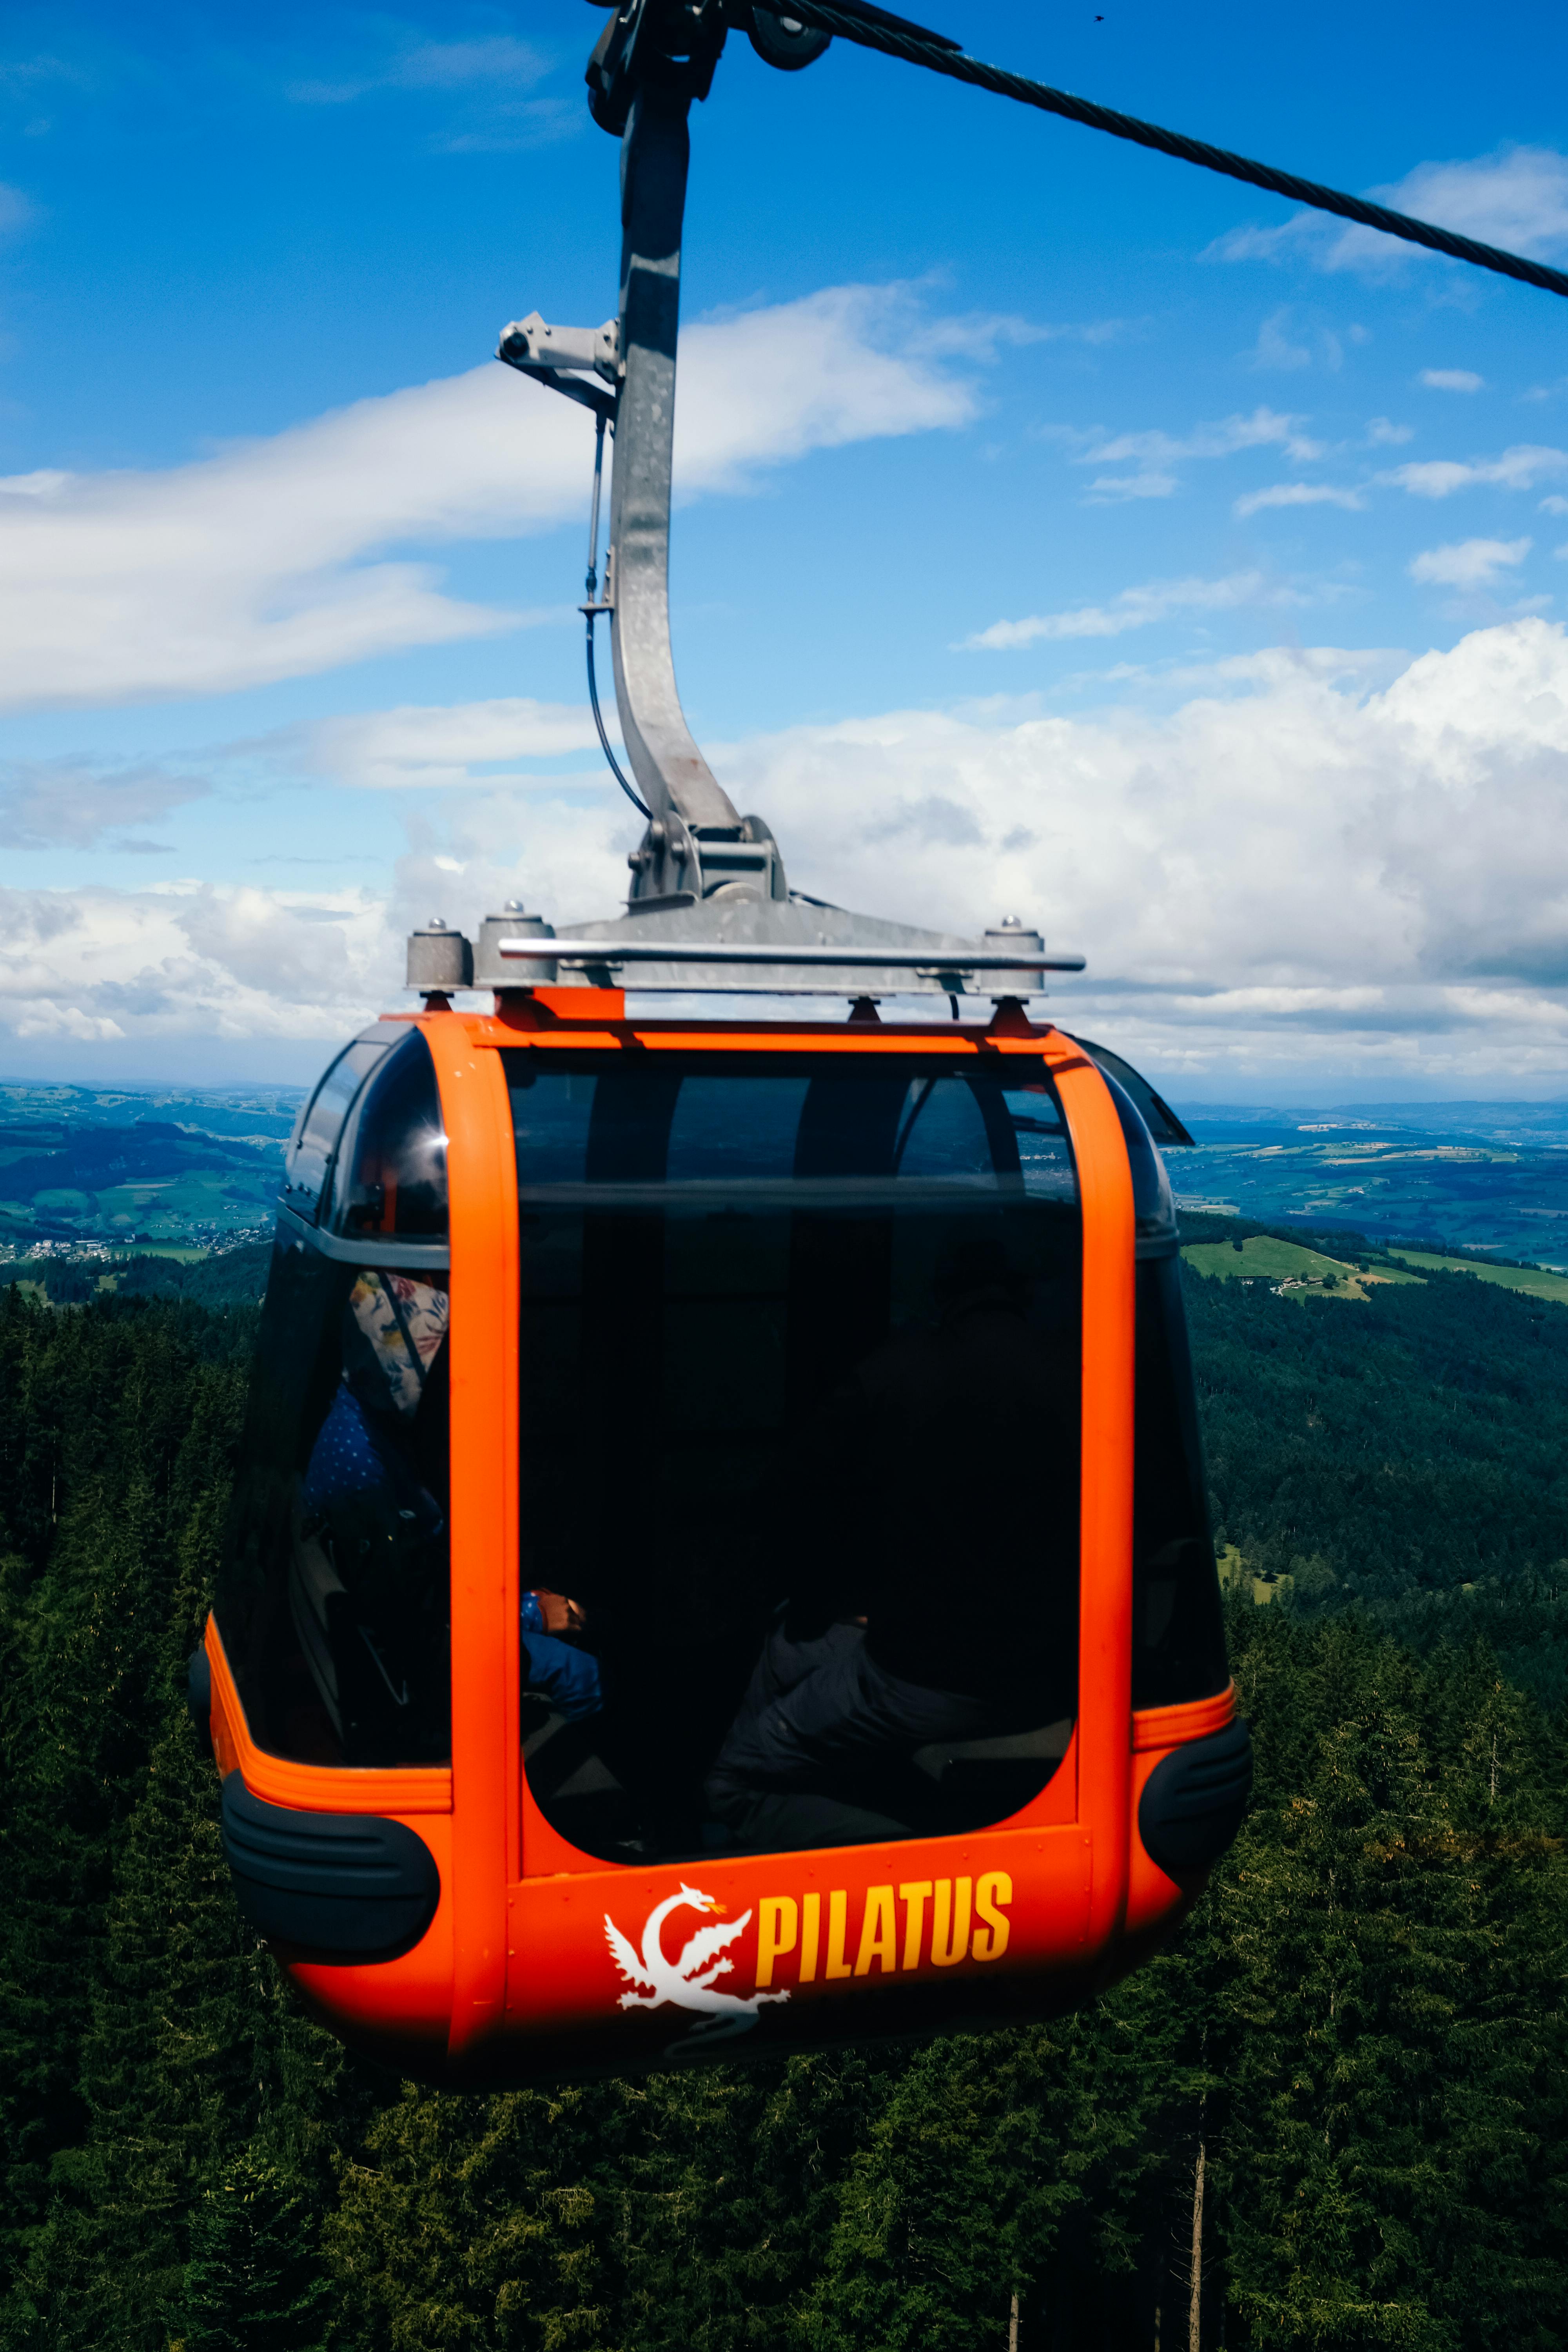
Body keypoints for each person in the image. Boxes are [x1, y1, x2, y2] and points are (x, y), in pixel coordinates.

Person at [704, 1232, 1077, 1847]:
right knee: (788, 1655)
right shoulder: (1079, 1375)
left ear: (941, 1294)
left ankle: (904, 1855)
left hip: (924, 1675)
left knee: (733, 1781)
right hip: (1051, 1672)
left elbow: (789, 1488)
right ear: (1023, 1293)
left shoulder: (896, 1373)